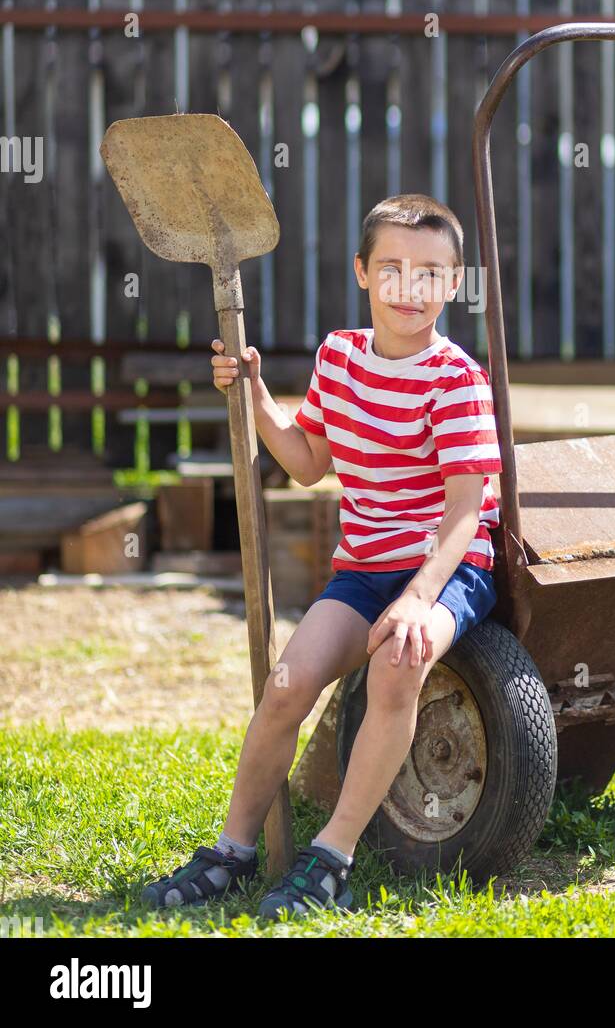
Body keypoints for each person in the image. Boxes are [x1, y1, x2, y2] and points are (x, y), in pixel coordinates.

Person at [142, 193, 503, 919]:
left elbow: (466, 512)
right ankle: (232, 852)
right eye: (394, 268)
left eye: (432, 273)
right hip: (366, 569)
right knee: (285, 685)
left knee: (398, 657)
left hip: (448, 570)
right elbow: (308, 462)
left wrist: (418, 599)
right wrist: (255, 398)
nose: (412, 287)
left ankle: (330, 858)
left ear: (455, 284)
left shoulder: (455, 380)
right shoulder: (339, 358)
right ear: (364, 273)